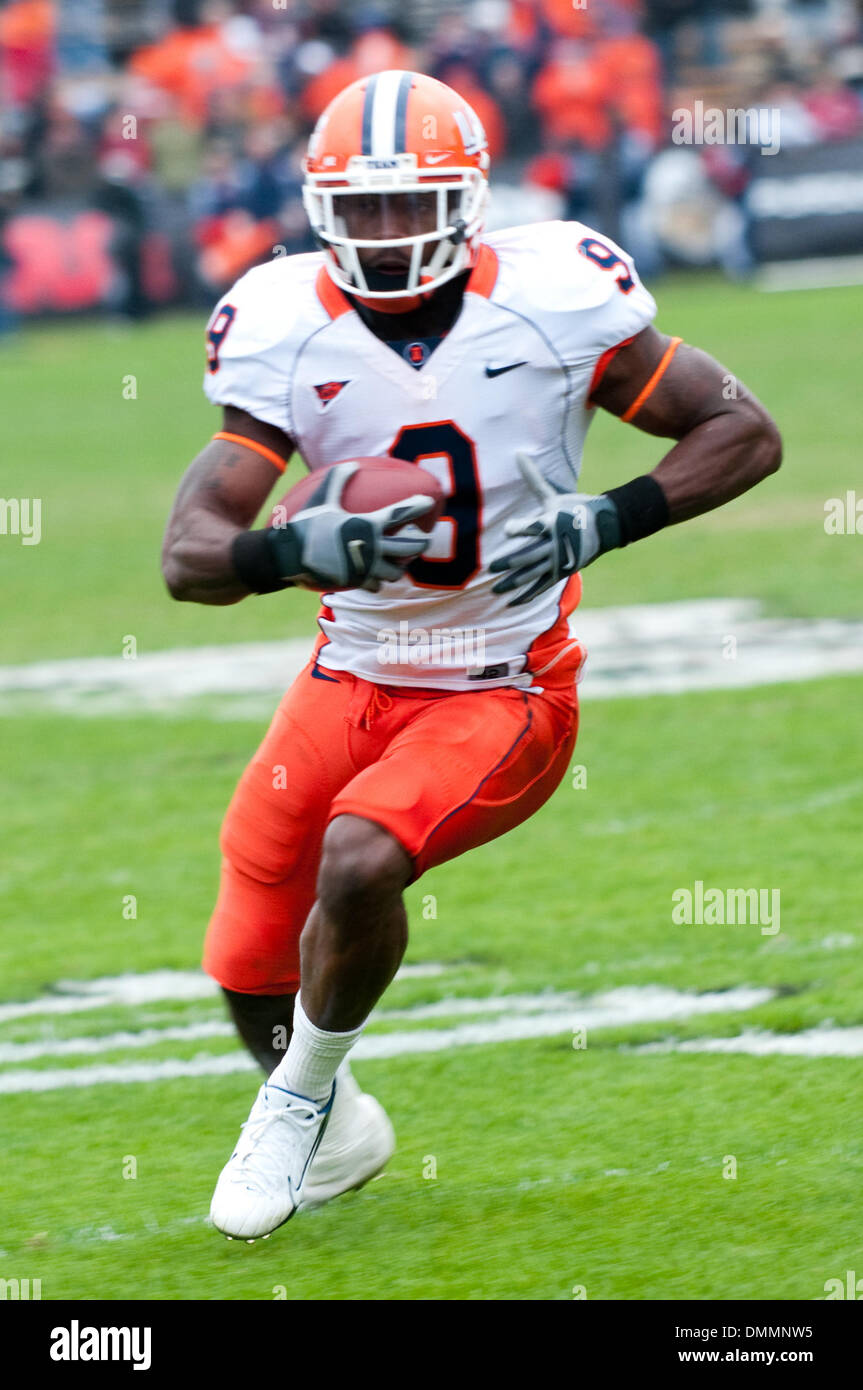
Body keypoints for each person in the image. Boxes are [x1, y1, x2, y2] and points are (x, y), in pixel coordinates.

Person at [161, 69, 782, 1242]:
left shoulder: (557, 300)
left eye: (413, 204)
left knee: (355, 861)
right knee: (246, 950)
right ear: (320, 207)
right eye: (367, 207)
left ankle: (291, 1105)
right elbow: (188, 556)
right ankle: (337, 1120)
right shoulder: (285, 323)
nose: (389, 232)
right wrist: (294, 545)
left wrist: (609, 514)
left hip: (503, 685)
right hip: (349, 672)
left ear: (469, 201)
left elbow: (742, 431)